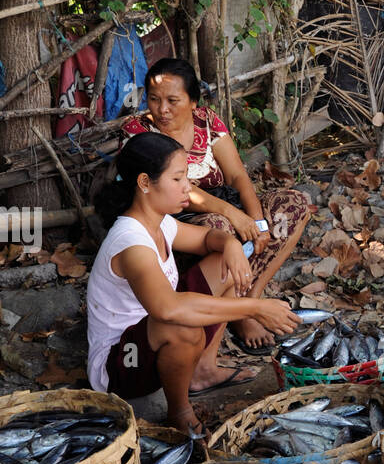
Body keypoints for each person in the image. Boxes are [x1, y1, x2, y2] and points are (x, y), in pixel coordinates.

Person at [87, 132, 300, 436]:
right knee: (179, 323)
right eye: (177, 179)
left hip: (151, 338)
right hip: (121, 364)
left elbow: (204, 238)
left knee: (225, 264)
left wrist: (230, 244)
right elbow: (169, 310)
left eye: (185, 176)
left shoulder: (159, 220)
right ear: (145, 183)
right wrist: (256, 307)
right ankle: (179, 412)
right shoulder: (130, 242)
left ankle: (201, 369)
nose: (187, 187)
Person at [121, 57, 311, 352]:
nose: (162, 109)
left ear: (193, 101)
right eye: (154, 99)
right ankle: (241, 311)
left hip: (226, 202)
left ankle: (251, 297)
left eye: (173, 100)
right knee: (219, 227)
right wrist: (233, 215)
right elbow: (186, 194)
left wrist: (257, 222)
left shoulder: (207, 121)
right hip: (178, 220)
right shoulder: (138, 132)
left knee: (294, 204)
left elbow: (236, 174)